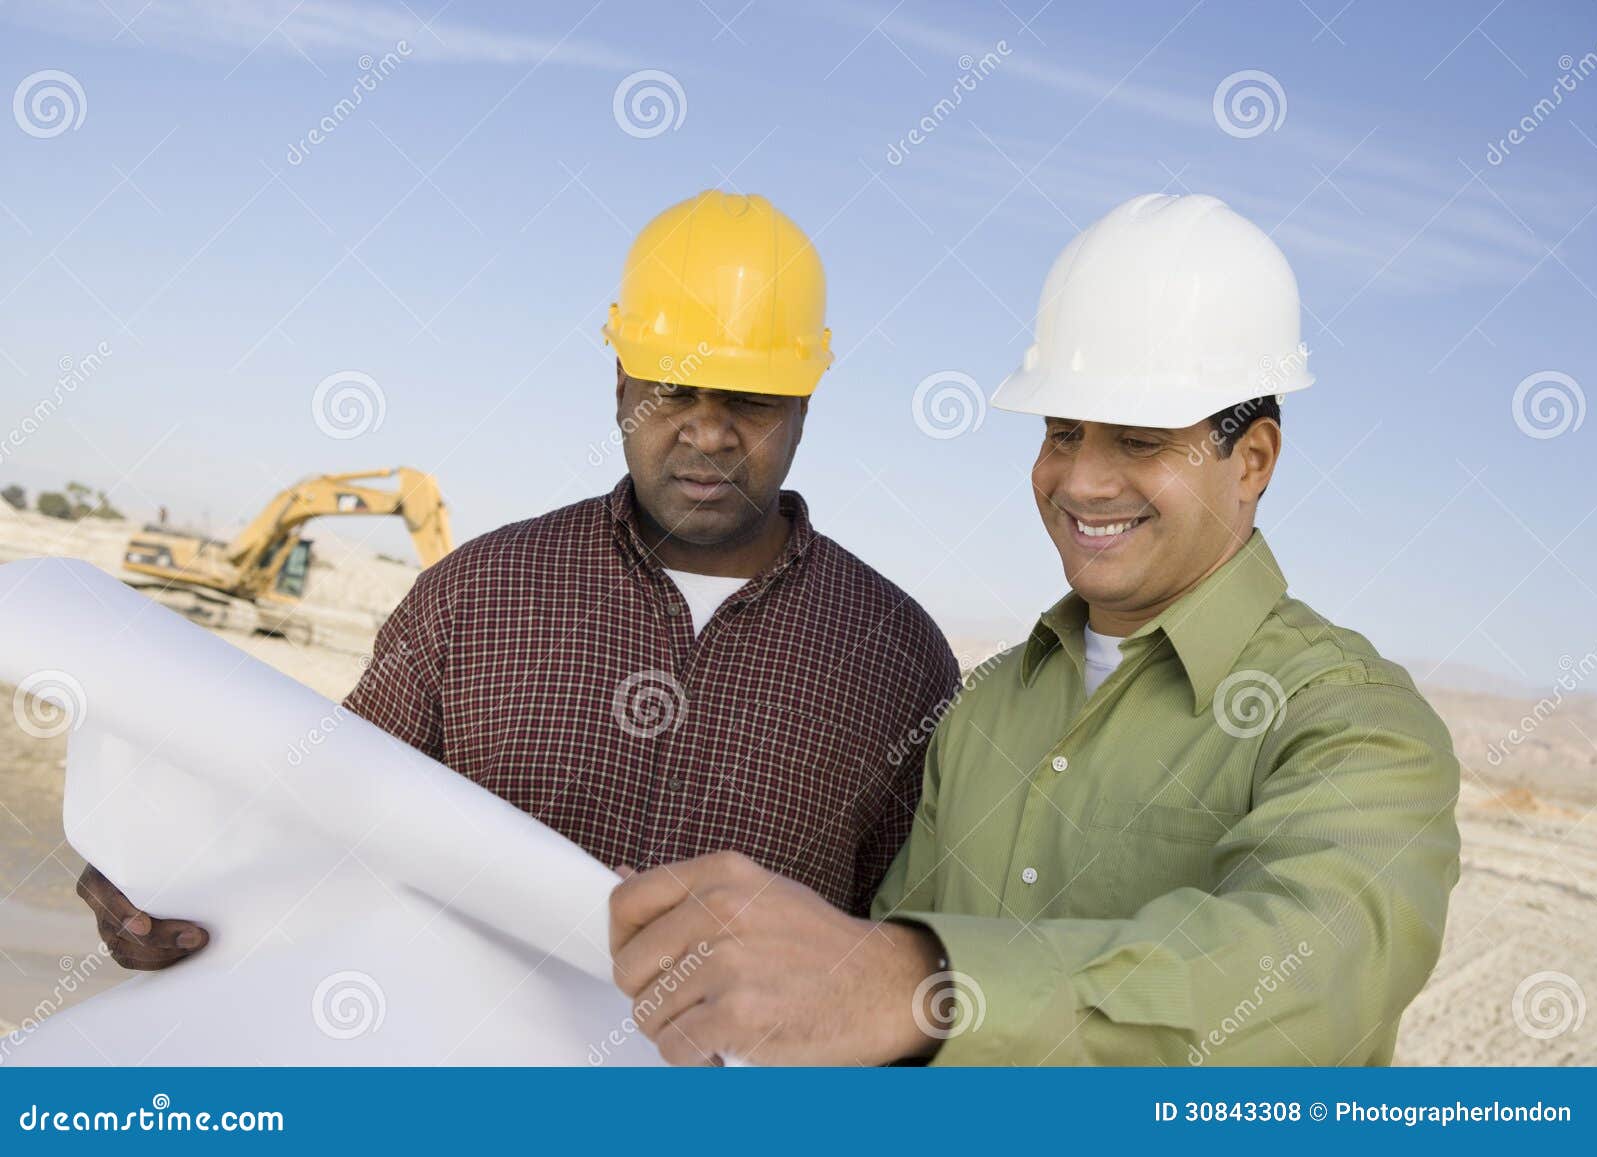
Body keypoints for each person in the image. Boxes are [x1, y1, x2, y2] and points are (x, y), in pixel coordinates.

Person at [608, 193, 1462, 1067]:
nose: (1082, 482)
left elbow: (1307, 977)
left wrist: (919, 982)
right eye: (1063, 432)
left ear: (1253, 460)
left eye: (1138, 441)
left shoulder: (1353, 723)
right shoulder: (986, 709)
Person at [78, 190, 960, 970]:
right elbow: (318, 831)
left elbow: (908, 959)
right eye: (675, 390)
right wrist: (170, 880)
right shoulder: (475, 594)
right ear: (621, 386)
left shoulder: (897, 658)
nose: (708, 432)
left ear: (805, 403)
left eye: (749, 400)